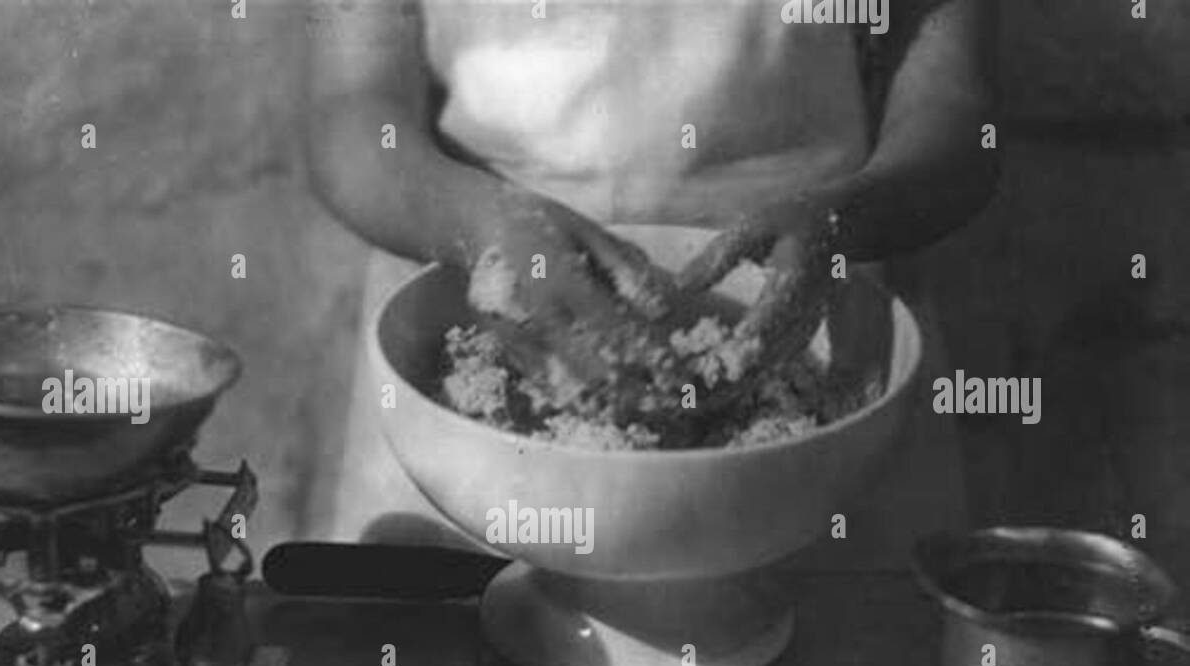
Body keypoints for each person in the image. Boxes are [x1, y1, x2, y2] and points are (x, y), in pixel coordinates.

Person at [305, 0, 998, 565]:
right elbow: (352, 113)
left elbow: (953, 98)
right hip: (476, 383)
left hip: (817, 383)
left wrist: (848, 216)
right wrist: (479, 228)